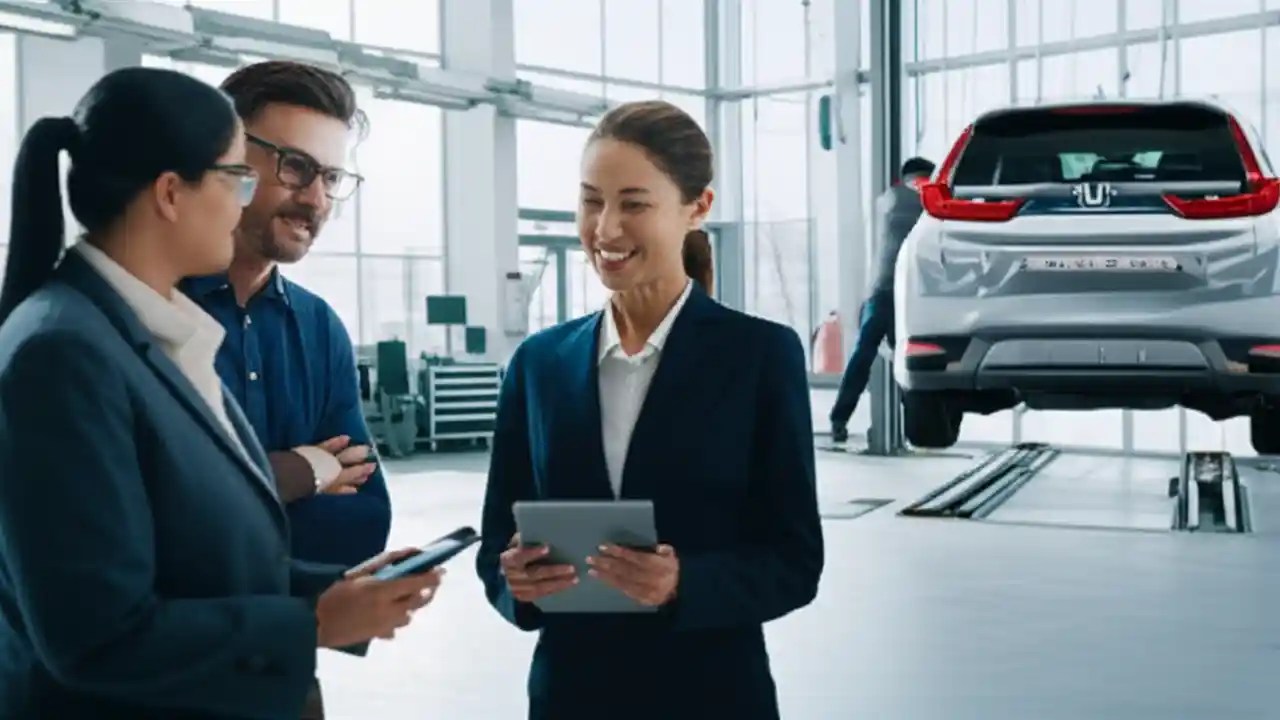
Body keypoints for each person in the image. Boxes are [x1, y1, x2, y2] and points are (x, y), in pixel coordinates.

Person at [0, 67, 442, 720]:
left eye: (331, 178)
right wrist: (309, 617)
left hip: (252, 683)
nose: (243, 200)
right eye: (239, 176)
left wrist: (329, 591)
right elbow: (97, 633)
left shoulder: (156, 332)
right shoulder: (64, 350)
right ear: (172, 193)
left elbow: (211, 541)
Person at [475, 100, 824, 720]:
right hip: (570, 698)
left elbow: (794, 562)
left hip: (711, 696)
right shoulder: (540, 364)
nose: (605, 229)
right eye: (591, 201)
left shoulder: (758, 355)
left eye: (633, 204)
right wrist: (517, 584)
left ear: (698, 207)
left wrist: (683, 582)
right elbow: (496, 550)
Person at [179, 61, 389, 568]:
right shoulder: (145, 309)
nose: (316, 199)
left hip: (286, 641)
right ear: (223, 157)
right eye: (295, 165)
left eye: (332, 176)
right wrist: (301, 473)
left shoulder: (319, 328)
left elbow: (362, 518)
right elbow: (148, 516)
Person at [828, 156, 935, 443]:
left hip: (880, 291)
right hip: (905, 294)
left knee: (865, 355)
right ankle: (914, 428)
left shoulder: (886, 200)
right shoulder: (909, 198)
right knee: (910, 359)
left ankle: (840, 419)